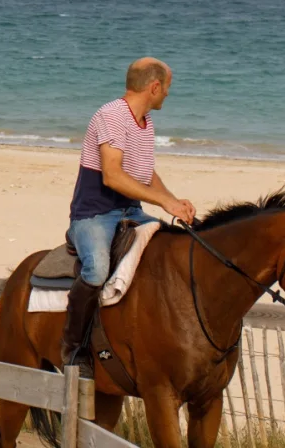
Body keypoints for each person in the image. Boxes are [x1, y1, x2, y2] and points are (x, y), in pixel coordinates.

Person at [61, 57, 196, 369]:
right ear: (154, 87)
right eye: (167, 89)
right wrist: (164, 204)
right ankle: (73, 347)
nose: (168, 95)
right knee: (96, 271)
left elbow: (145, 174)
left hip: (131, 212)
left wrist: (175, 201)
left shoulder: (146, 123)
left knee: (172, 248)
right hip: (94, 214)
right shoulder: (110, 116)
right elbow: (113, 175)